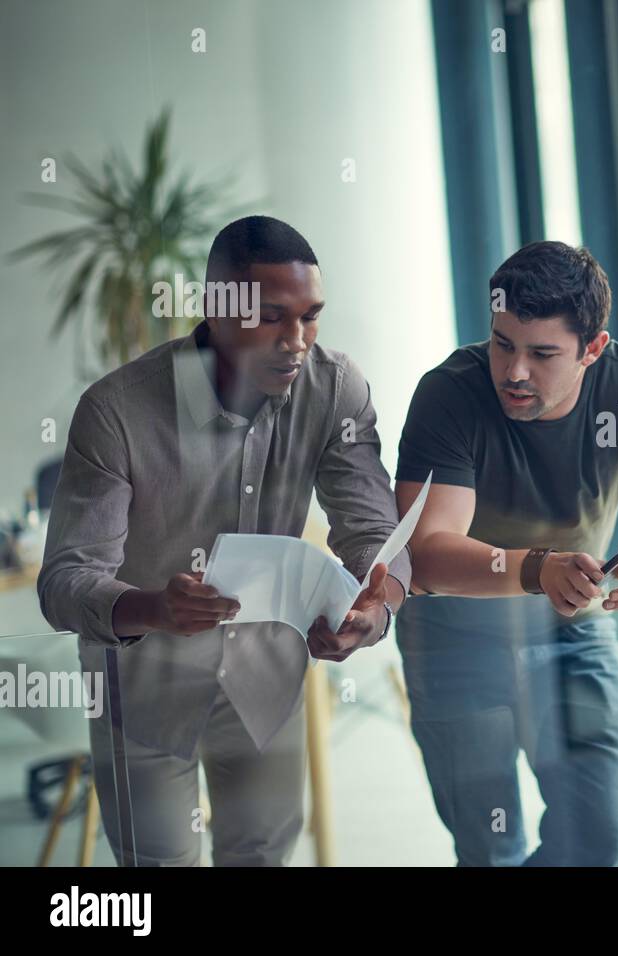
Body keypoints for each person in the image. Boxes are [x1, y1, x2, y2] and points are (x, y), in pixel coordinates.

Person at [37, 215, 410, 866]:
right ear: (214, 308)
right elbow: (66, 581)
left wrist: (373, 610)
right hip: (144, 689)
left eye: (311, 317)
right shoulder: (115, 411)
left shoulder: (335, 388)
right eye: (272, 317)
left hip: (265, 682)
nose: (295, 341)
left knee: (262, 857)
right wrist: (156, 607)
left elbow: (374, 528)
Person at [394, 240, 618, 865]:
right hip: (455, 634)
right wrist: (536, 569)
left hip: (572, 630)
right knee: (489, 848)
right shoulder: (449, 394)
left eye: (542, 353)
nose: (514, 371)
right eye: (503, 343)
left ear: (593, 348)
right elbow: (425, 554)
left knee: (599, 841)